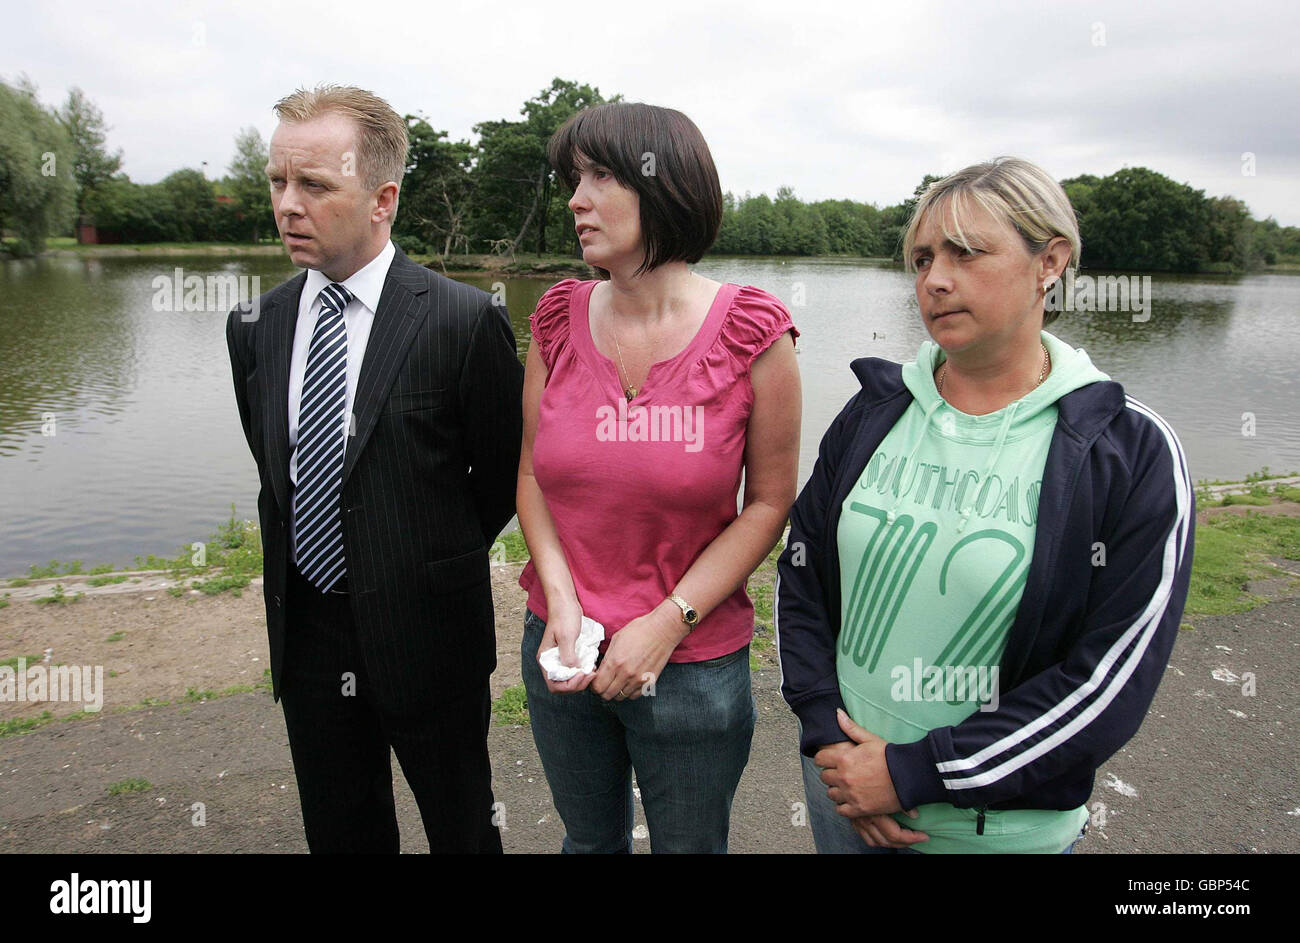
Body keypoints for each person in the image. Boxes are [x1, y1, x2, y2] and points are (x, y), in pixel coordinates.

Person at [776, 156, 1194, 854]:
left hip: (995, 833)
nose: (934, 279)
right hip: (841, 794)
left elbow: (1107, 681)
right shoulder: (874, 411)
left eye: (966, 253)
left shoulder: (1128, 449)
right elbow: (802, 574)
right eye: (921, 258)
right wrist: (826, 736)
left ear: (1049, 261)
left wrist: (913, 772)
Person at [225, 85, 523, 853]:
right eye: (277, 182)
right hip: (310, 633)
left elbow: (496, 479)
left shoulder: (462, 319)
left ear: (382, 197)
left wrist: (414, 555)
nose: (288, 204)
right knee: (342, 833)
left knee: (463, 828)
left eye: (315, 185)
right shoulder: (256, 325)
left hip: (430, 632)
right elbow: (277, 475)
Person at [516, 102, 802, 853]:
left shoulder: (754, 333)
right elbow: (531, 477)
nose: (576, 199)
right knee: (588, 843)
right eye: (572, 179)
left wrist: (667, 621)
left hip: (692, 666)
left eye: (601, 176)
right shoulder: (555, 318)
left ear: (666, 183)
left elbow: (769, 503)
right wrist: (563, 601)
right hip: (563, 645)